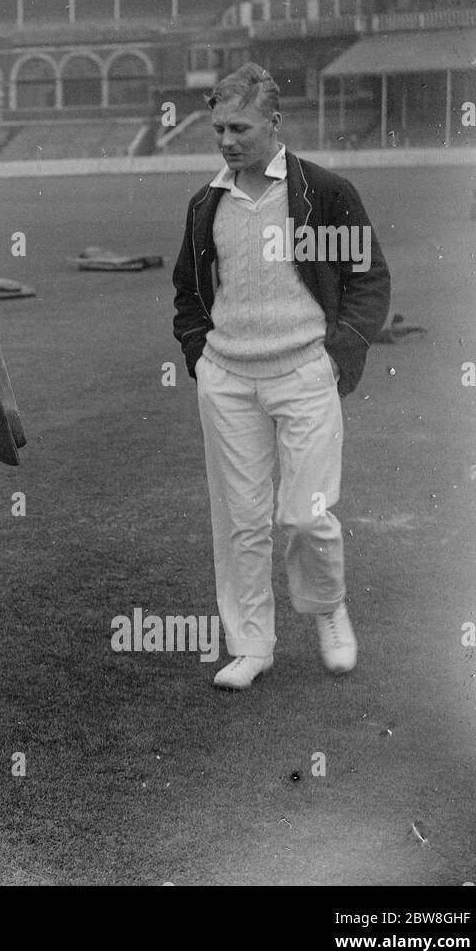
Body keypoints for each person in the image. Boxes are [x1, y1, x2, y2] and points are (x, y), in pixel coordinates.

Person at [172, 62, 391, 689]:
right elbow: (188, 294)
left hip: (304, 373)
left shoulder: (323, 191)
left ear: (274, 121)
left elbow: (368, 280)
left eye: (239, 127)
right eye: (218, 129)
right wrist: (201, 358)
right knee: (239, 519)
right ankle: (251, 646)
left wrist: (334, 356)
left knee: (304, 515)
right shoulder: (206, 203)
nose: (227, 141)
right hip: (229, 381)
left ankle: (328, 611)